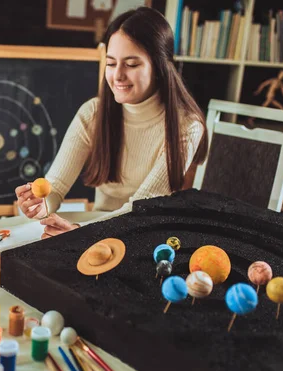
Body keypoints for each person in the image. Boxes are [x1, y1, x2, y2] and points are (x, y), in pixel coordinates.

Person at [15, 7, 208, 238]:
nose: (117, 75)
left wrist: (79, 233)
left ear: (159, 67)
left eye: (132, 64)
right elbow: (54, 186)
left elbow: (141, 211)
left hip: (146, 236)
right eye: (111, 63)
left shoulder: (187, 126)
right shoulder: (93, 113)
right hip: (96, 228)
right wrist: (39, 205)